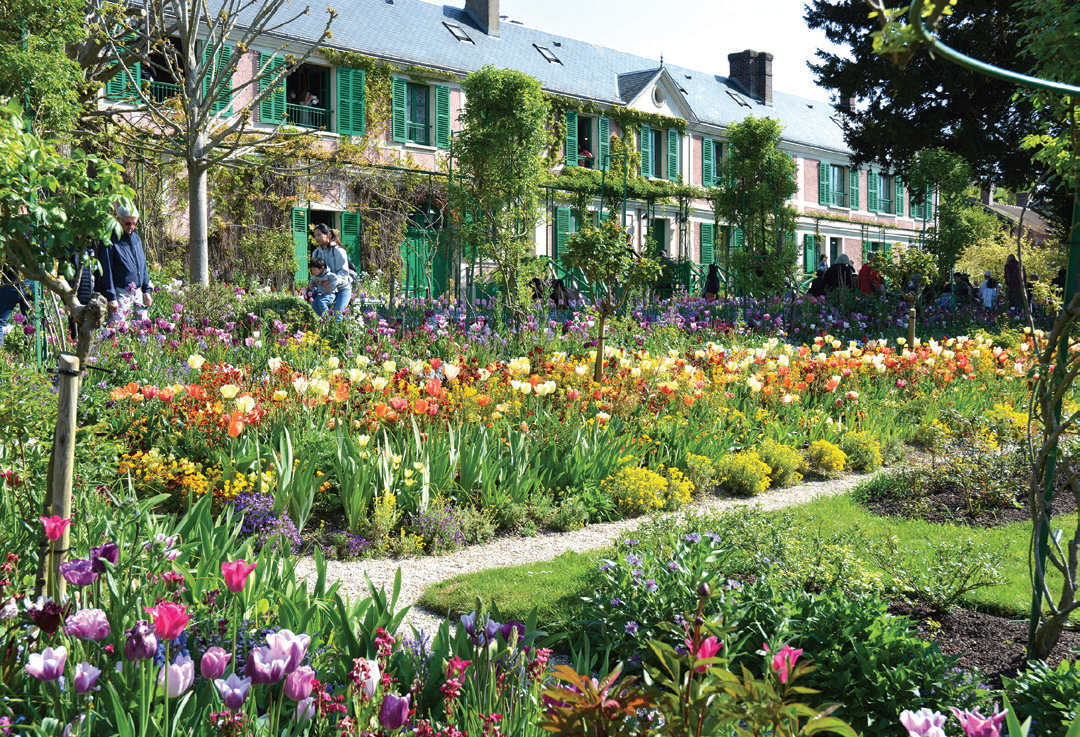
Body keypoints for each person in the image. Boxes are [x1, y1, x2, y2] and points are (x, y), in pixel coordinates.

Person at [98, 204, 153, 322]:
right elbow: (105, 270)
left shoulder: (136, 238)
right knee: (120, 332)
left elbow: (142, 266)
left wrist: (146, 290)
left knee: (142, 332)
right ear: (118, 219)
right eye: (128, 223)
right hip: (121, 294)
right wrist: (111, 297)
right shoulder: (109, 240)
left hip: (138, 292)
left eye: (134, 223)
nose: (131, 227)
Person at [310, 223, 355, 318]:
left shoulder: (338, 251)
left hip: (342, 288)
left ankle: (338, 327)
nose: (316, 238)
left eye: (319, 235)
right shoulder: (316, 253)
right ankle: (329, 326)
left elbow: (344, 273)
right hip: (327, 291)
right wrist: (314, 282)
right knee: (315, 305)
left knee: (338, 317)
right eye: (315, 236)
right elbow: (316, 271)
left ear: (328, 235)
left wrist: (331, 283)